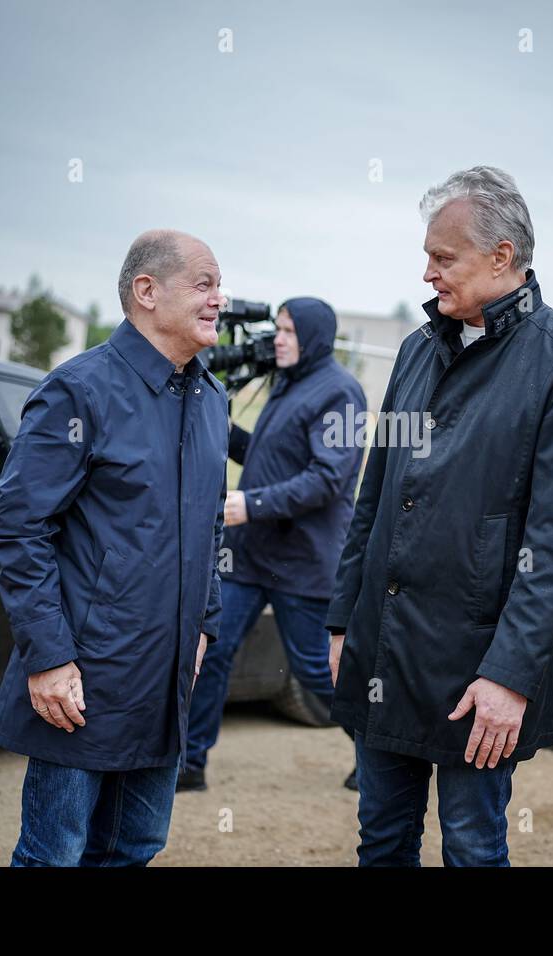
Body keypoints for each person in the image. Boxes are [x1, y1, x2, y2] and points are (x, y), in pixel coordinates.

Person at [326, 166, 553, 867]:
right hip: (386, 649)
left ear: (502, 257)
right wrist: (343, 620)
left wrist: (511, 675)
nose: (427, 273)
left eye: (442, 257)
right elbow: (375, 495)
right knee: (382, 840)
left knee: (474, 847)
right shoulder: (417, 350)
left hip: (478, 669)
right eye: (428, 256)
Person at [0, 230, 228, 867]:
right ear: (146, 292)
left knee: (135, 846)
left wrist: (204, 625)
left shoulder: (210, 398)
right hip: (83, 678)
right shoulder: (79, 391)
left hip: (166, 676)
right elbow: (18, 527)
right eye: (204, 284)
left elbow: (210, 527)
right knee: (55, 853)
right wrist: (48, 657)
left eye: (219, 285)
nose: (220, 299)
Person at [180, 297, 365, 792]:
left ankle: (380, 755)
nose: (278, 339)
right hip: (250, 555)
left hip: (303, 561)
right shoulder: (289, 383)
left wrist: (252, 504)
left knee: (313, 669)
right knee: (212, 653)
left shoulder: (342, 393)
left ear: (313, 337)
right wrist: (212, 414)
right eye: (278, 329)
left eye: (288, 331)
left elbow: (328, 479)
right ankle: (190, 763)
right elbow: (265, 454)